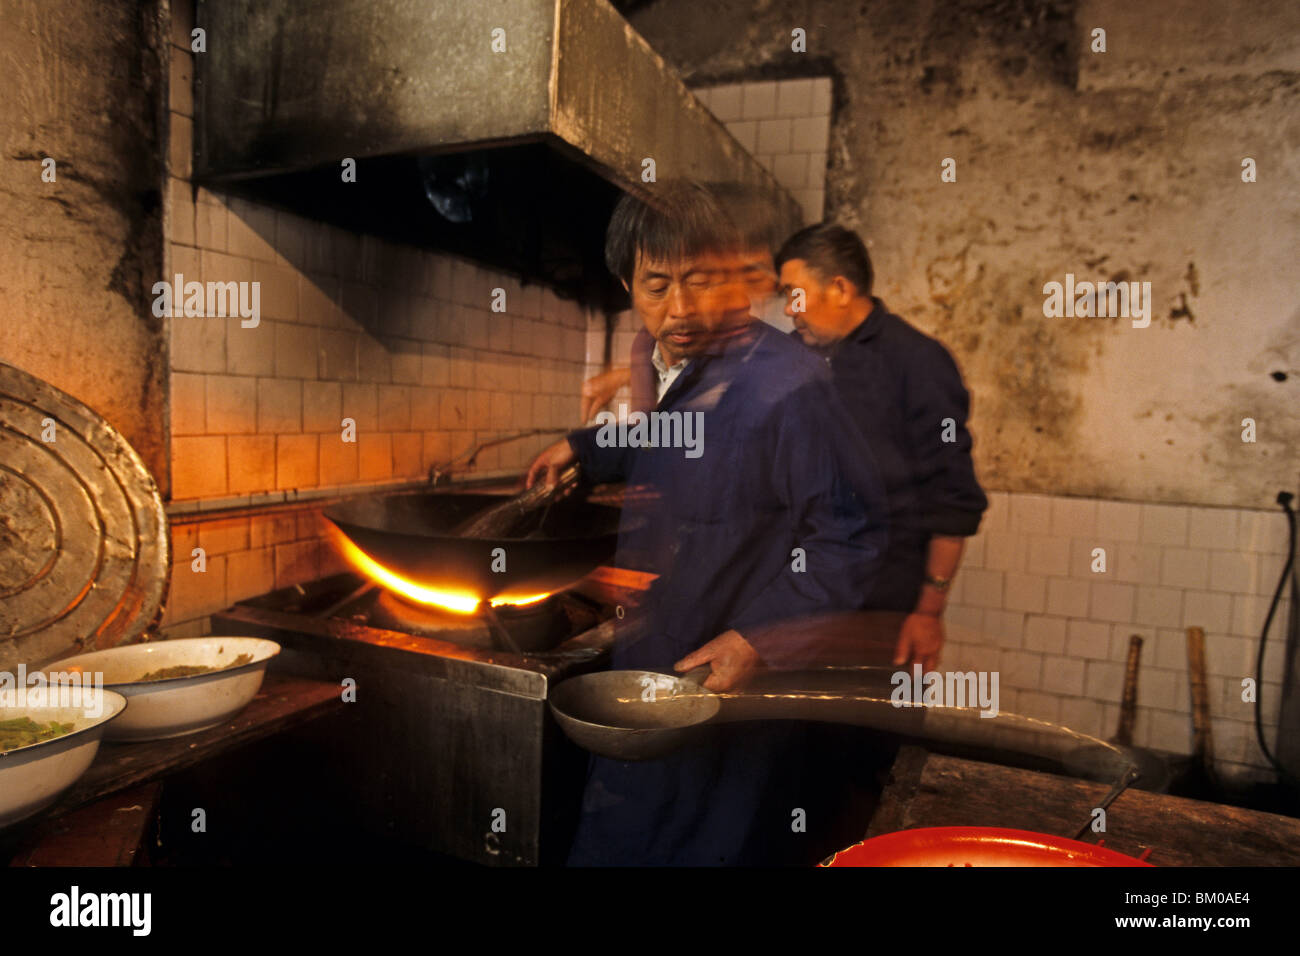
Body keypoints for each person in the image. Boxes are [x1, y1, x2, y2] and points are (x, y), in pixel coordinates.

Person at [528, 182, 889, 865]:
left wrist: (757, 639)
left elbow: (852, 536)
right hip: (652, 663)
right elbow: (668, 436)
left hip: (726, 691)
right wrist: (585, 446)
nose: (681, 308)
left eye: (699, 282)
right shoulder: (672, 365)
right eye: (657, 284)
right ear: (627, 284)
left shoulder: (789, 386)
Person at [775, 223, 988, 670]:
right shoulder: (792, 357)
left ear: (839, 288)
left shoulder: (918, 361)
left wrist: (929, 613)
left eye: (794, 293)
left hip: (881, 611)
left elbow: (955, 499)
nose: (790, 311)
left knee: (865, 735)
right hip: (798, 600)